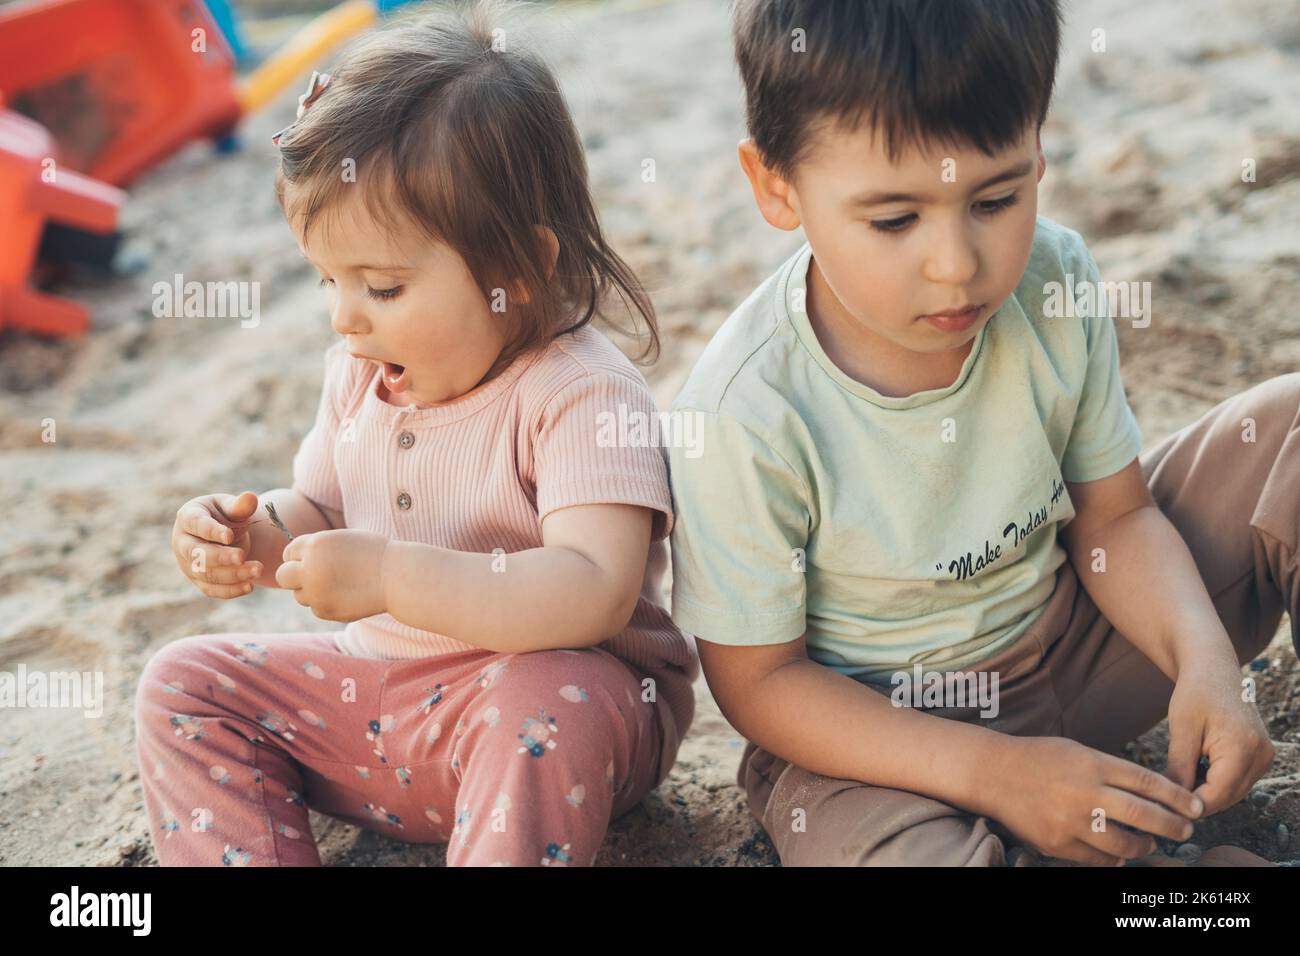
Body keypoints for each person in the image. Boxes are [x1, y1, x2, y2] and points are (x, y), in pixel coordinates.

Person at [667, 0, 1295, 867]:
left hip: (1077, 645)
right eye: (895, 220)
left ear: (1037, 150)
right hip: (875, 744)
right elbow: (761, 684)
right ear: (777, 184)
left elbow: (1114, 519)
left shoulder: (1054, 281)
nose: (957, 264)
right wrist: (997, 773)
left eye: (997, 198)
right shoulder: (743, 410)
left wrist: (1203, 661)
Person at [136, 2, 697, 867]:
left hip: (547, 722)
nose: (346, 319)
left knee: (555, 695)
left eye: (383, 288)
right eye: (328, 279)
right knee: (181, 683)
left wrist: (395, 575)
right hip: (381, 708)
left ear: (519, 269)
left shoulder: (581, 393)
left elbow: (593, 593)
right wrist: (250, 534)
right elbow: (320, 509)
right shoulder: (360, 371)